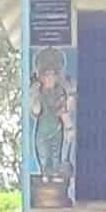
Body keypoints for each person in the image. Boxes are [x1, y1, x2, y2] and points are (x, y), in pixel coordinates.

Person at [29, 47, 76, 181]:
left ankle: (55, 179)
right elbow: (36, 111)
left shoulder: (59, 93)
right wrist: (35, 95)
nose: (49, 78)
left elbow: (63, 111)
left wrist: (69, 128)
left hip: (57, 131)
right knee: (44, 158)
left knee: (56, 158)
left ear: (57, 76)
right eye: (46, 75)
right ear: (41, 76)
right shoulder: (39, 92)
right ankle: (45, 176)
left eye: (52, 74)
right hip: (42, 133)